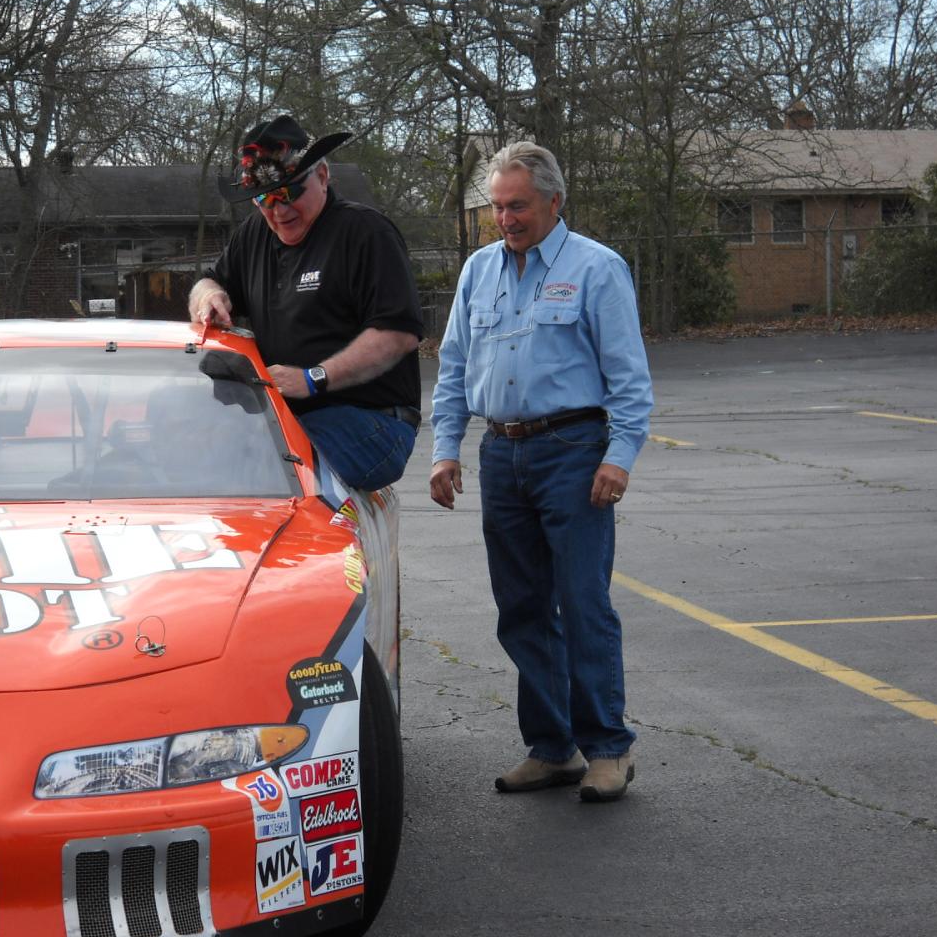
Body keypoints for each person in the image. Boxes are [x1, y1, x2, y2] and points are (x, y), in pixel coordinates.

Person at [429, 142, 653, 803]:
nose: (506, 217)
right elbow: (452, 370)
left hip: (574, 452)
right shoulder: (478, 271)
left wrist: (621, 455)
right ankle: (553, 748)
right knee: (522, 607)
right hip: (502, 454)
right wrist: (447, 449)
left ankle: (609, 748)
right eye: (497, 206)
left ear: (554, 202)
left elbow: (629, 378)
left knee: (582, 602)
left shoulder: (597, 269)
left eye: (518, 204)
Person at [188, 114, 424, 491]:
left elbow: (398, 335)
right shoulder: (254, 235)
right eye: (265, 198)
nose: (279, 211)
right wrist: (209, 297)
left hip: (373, 422)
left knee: (254, 458)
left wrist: (313, 378)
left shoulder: (365, 232)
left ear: (323, 176)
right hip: (285, 415)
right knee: (189, 446)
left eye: (290, 192)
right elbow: (207, 281)